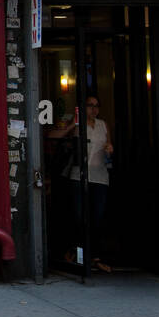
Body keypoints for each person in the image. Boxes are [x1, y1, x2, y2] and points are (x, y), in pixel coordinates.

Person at [49, 96, 114, 270]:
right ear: (82, 108)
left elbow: (109, 146)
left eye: (96, 106)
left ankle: (94, 256)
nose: (94, 109)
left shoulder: (103, 125)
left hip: (100, 176)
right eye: (90, 106)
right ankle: (77, 254)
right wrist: (73, 125)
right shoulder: (76, 125)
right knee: (79, 217)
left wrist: (109, 148)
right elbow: (52, 136)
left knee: (97, 217)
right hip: (79, 176)